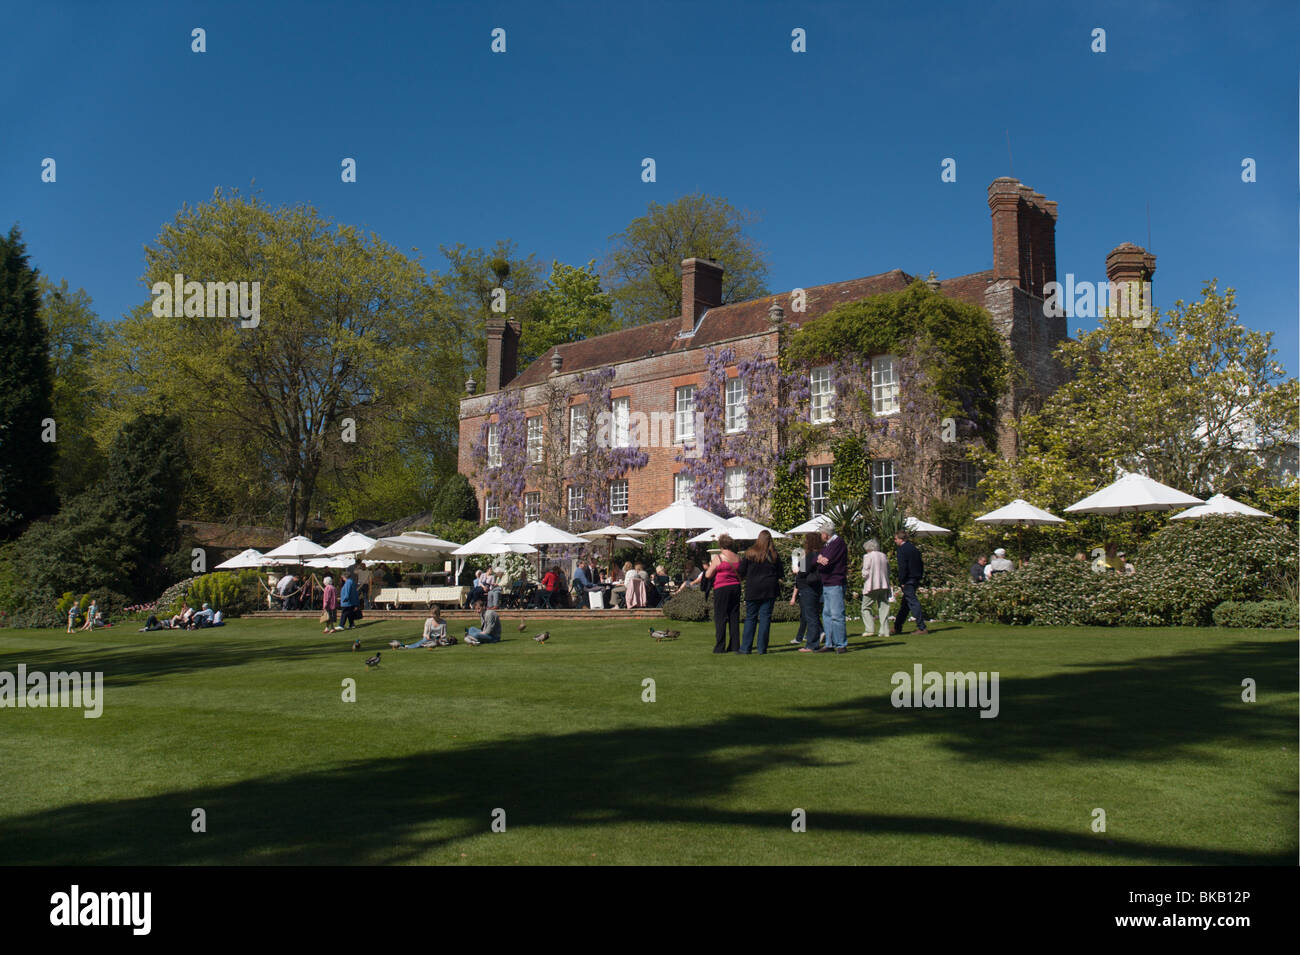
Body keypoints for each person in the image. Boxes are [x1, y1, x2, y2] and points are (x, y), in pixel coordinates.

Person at [738, 531, 783, 654]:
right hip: (769, 589)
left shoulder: (750, 553)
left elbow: (741, 571)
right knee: (765, 618)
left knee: (751, 618)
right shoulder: (774, 555)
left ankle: (746, 648)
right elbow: (780, 573)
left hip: (753, 588)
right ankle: (762, 648)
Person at [705, 535, 742, 654]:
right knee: (733, 616)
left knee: (720, 617)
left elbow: (708, 574)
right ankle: (735, 645)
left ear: (720, 545)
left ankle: (720, 646)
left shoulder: (719, 557)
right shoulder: (738, 557)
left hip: (722, 588)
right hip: (735, 587)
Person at [815, 523, 849, 653]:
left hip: (835, 582)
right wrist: (819, 559)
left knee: (836, 614)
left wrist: (821, 559)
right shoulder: (828, 545)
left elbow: (827, 562)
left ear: (826, 534)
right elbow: (818, 560)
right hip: (828, 583)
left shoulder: (837, 543)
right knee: (827, 614)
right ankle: (829, 643)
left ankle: (840, 643)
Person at [792, 533, 824, 650]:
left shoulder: (810, 555)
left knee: (811, 616)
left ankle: (811, 644)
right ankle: (814, 642)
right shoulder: (820, 554)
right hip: (816, 587)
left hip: (807, 587)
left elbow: (803, 571)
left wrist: (798, 571)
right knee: (814, 615)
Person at [892, 530, 928, 635]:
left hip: (908, 580)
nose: (895, 541)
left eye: (895, 539)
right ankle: (897, 626)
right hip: (915, 578)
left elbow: (902, 567)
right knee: (906, 604)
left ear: (900, 539)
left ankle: (921, 627)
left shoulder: (902, 550)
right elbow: (921, 564)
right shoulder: (914, 549)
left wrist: (902, 580)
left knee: (912, 602)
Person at [860, 539, 892, 639]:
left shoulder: (868, 556)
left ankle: (869, 629)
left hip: (872, 584)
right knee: (883, 607)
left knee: (865, 607)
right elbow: (888, 570)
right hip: (884, 584)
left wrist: (863, 576)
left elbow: (865, 571)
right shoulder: (883, 555)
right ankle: (885, 630)